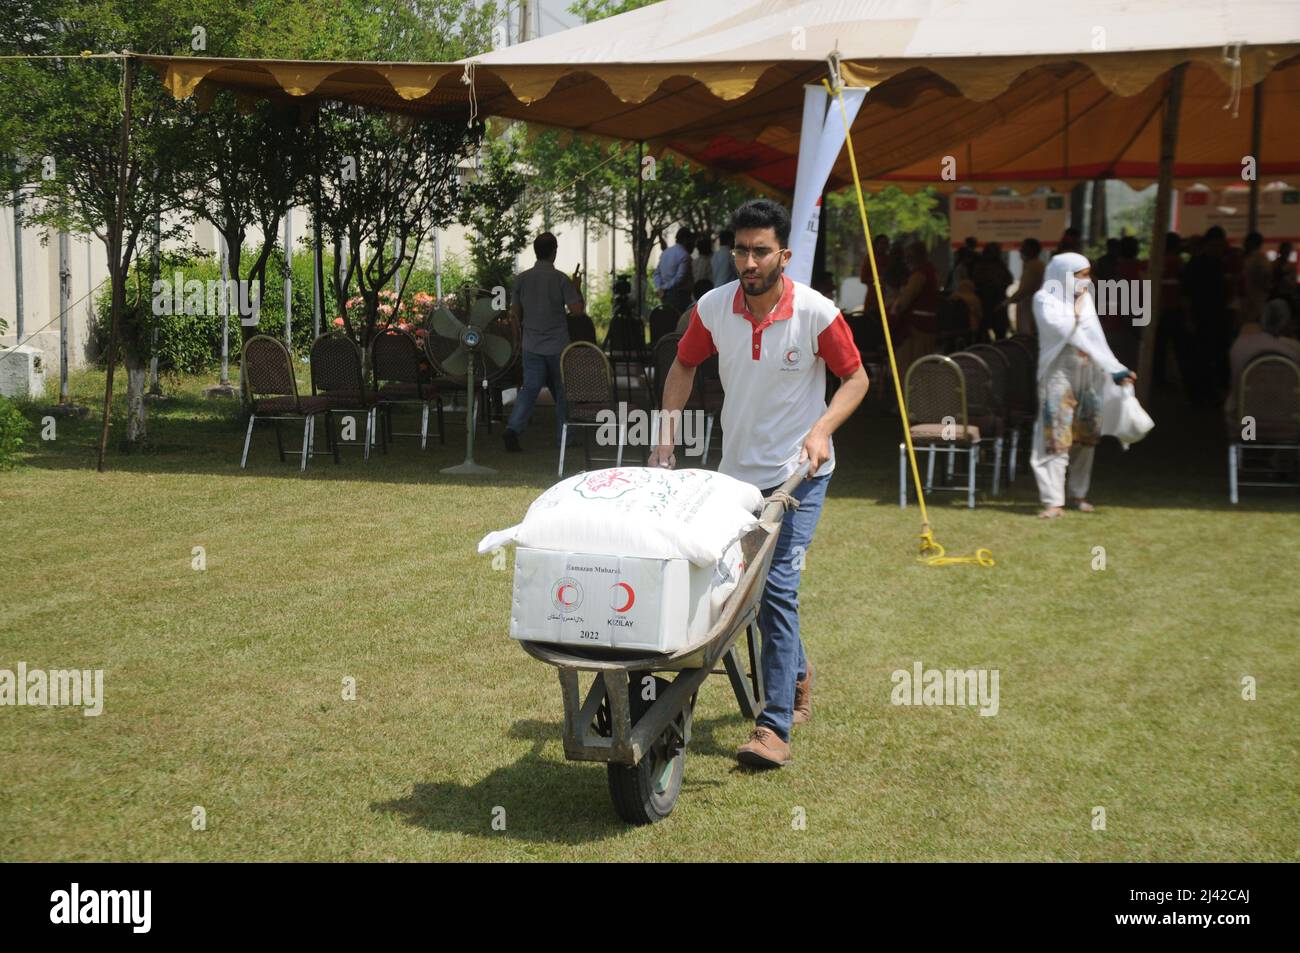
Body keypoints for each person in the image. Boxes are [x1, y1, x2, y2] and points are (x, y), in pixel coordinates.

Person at [651, 198, 869, 769]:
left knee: (775, 589)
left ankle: (772, 729)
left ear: (784, 256)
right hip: (736, 480)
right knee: (736, 588)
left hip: (801, 476)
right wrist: (666, 436)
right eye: (741, 250)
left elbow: (856, 378)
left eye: (761, 251)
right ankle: (795, 671)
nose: (749, 262)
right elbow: (682, 365)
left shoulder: (818, 313)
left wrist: (821, 430)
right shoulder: (713, 307)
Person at [1029, 252, 1135, 519]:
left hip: (1088, 371)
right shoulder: (1045, 300)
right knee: (1056, 435)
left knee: (1086, 436)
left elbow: (1095, 338)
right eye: (1081, 275)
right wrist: (1077, 309)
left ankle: (1078, 493)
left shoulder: (1085, 300)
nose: (1087, 281)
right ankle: (1053, 501)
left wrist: (1114, 368)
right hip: (1058, 373)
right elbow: (1068, 331)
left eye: (1088, 274)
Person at [503, 232, 585, 452]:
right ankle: (565, 438)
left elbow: (514, 314)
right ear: (554, 252)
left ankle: (513, 428)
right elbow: (577, 311)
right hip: (558, 345)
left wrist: (517, 340)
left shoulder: (522, 279)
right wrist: (577, 287)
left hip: (531, 344)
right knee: (563, 391)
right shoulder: (560, 279)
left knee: (529, 389)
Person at [1223, 299, 1300, 417]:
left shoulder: (1239, 347)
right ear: (1287, 323)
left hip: (1245, 419)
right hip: (1287, 421)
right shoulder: (1293, 349)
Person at [893, 241, 942, 371]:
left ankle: (908, 391)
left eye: (909, 257)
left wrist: (895, 310)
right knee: (924, 364)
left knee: (909, 364)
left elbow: (905, 299)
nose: (906, 260)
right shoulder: (932, 271)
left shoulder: (920, 274)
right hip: (929, 325)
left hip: (916, 327)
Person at [1001, 238, 1045, 335]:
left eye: (1023, 248)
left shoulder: (1033, 266)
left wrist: (1006, 303)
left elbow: (1024, 291)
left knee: (1028, 337)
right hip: (1030, 308)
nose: (1020, 251)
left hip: (1029, 309)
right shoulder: (1036, 265)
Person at [972, 242, 1013, 339]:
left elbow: (1008, 279)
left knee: (999, 331)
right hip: (986, 301)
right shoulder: (981, 266)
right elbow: (976, 281)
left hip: (997, 301)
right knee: (984, 331)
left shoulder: (1000, 266)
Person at [653, 227, 695, 315]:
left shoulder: (666, 252)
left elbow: (657, 274)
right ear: (686, 239)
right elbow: (679, 278)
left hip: (664, 296)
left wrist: (660, 287)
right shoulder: (684, 255)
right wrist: (664, 287)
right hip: (680, 297)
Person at [1240, 231, 1271, 328]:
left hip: (1255, 300)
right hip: (1250, 299)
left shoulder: (1259, 258)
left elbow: (1266, 277)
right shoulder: (1250, 257)